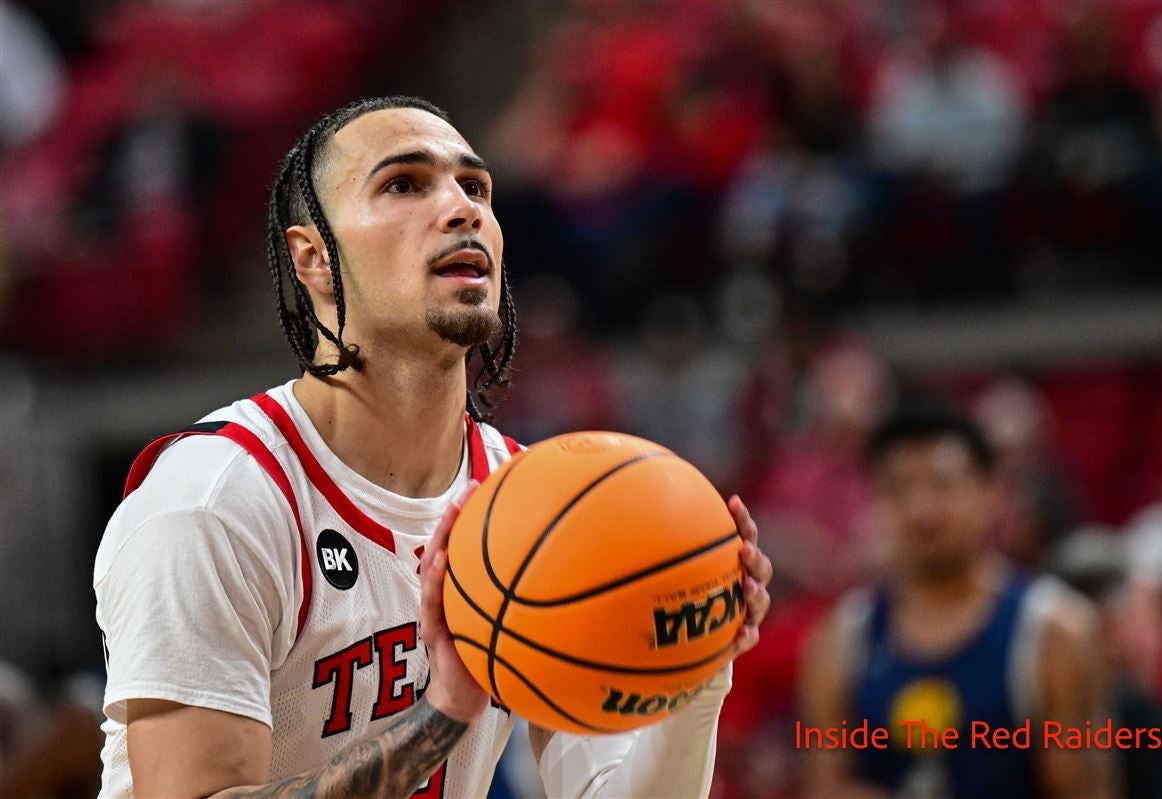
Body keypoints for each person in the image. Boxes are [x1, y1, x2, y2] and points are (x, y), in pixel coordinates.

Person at [93, 96, 774, 798]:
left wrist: (692, 679)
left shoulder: (529, 503)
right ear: (315, 257)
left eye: (475, 186)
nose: (461, 208)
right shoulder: (217, 499)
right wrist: (441, 716)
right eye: (404, 184)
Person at [798, 405, 1111, 799]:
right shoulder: (838, 640)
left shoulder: (1056, 633)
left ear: (990, 493)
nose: (921, 510)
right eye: (899, 489)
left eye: (942, 485)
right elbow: (823, 788)